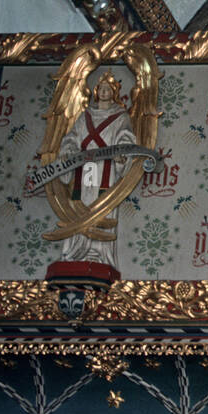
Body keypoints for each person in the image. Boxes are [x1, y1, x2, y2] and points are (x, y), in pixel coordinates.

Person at [57, 70, 135, 267]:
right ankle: (77, 251)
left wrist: (121, 153)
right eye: (101, 88)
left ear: (114, 93)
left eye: (109, 89)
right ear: (96, 91)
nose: (104, 92)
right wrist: (69, 151)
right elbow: (73, 137)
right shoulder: (86, 116)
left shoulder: (120, 116)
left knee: (102, 205)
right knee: (82, 202)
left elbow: (125, 137)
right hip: (87, 168)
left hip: (106, 169)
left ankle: (98, 254)